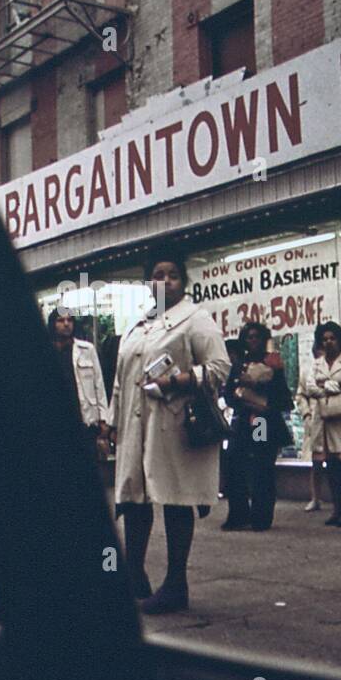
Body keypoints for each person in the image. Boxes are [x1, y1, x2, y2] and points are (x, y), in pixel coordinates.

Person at [106, 245, 230, 614]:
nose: (165, 281)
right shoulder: (137, 325)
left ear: (183, 281)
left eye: (172, 275)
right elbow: (120, 379)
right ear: (148, 283)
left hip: (175, 425)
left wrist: (182, 378)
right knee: (134, 497)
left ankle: (176, 584)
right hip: (135, 425)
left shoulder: (196, 319)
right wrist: (111, 423)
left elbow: (220, 367)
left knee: (177, 498)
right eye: (158, 275)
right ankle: (133, 574)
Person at [221, 322, 292, 532]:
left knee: (261, 464)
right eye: (249, 337)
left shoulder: (273, 364)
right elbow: (229, 393)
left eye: (256, 337)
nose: (253, 341)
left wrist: (257, 387)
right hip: (243, 418)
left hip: (261, 420)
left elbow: (281, 394)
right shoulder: (240, 364)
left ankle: (260, 515)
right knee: (234, 462)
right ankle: (238, 513)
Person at [304, 321, 341, 527]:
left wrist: (326, 386)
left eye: (332, 338)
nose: (328, 342)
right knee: (330, 465)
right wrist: (334, 387)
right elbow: (310, 387)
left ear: (340, 340)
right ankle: (336, 507)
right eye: (325, 339)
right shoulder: (316, 363)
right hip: (324, 418)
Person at [48, 308, 110, 446]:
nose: (66, 324)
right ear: (53, 324)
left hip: (87, 421)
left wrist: (104, 419)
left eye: (69, 320)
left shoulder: (87, 349)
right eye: (61, 320)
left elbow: (99, 385)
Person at [295, 338, 327, 511]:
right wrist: (306, 413)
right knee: (316, 461)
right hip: (315, 418)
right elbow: (300, 395)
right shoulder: (307, 371)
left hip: (335, 416)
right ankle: (315, 497)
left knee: (339, 460)